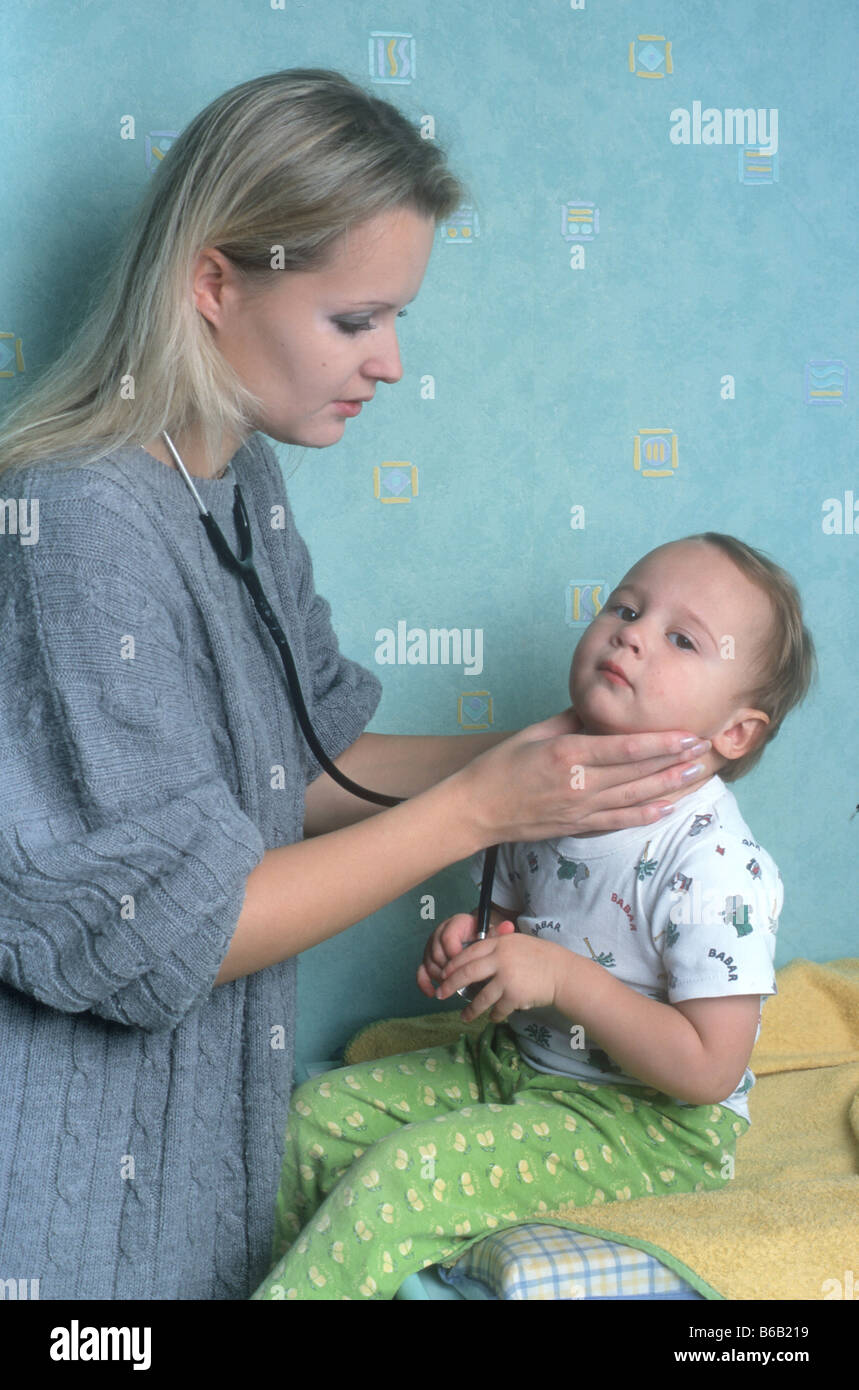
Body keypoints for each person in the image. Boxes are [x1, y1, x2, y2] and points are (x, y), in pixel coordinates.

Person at [0, 70, 713, 1301]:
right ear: (213, 282)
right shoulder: (77, 522)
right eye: (355, 320)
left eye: (397, 318)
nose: (389, 362)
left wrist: (564, 762)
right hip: (71, 1192)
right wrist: (478, 809)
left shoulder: (236, 477)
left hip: (197, 1158)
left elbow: (305, 758)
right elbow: (173, 926)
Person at [252, 532, 815, 1301]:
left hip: (642, 1124)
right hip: (515, 1065)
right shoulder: (544, 793)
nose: (631, 634)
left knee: (403, 1177)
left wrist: (560, 978)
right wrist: (476, 948)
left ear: (735, 732)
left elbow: (709, 1071)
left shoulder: (714, 866)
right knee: (311, 1117)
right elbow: (519, 935)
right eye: (625, 607)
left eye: (680, 639)